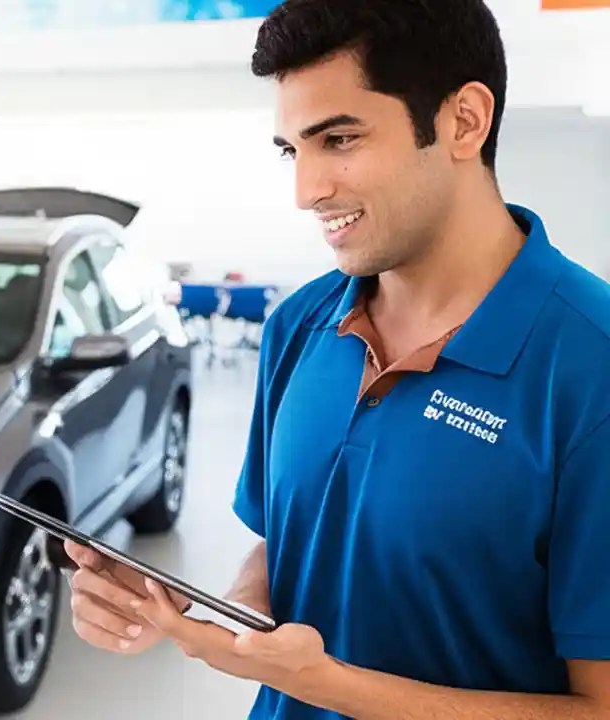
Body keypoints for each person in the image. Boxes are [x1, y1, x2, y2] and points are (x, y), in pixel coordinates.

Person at [64, 1, 610, 718]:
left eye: (340, 139)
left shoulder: (591, 367)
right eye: (292, 150)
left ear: (464, 121)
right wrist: (218, 613)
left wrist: (330, 686)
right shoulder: (300, 325)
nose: (306, 191)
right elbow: (293, 543)